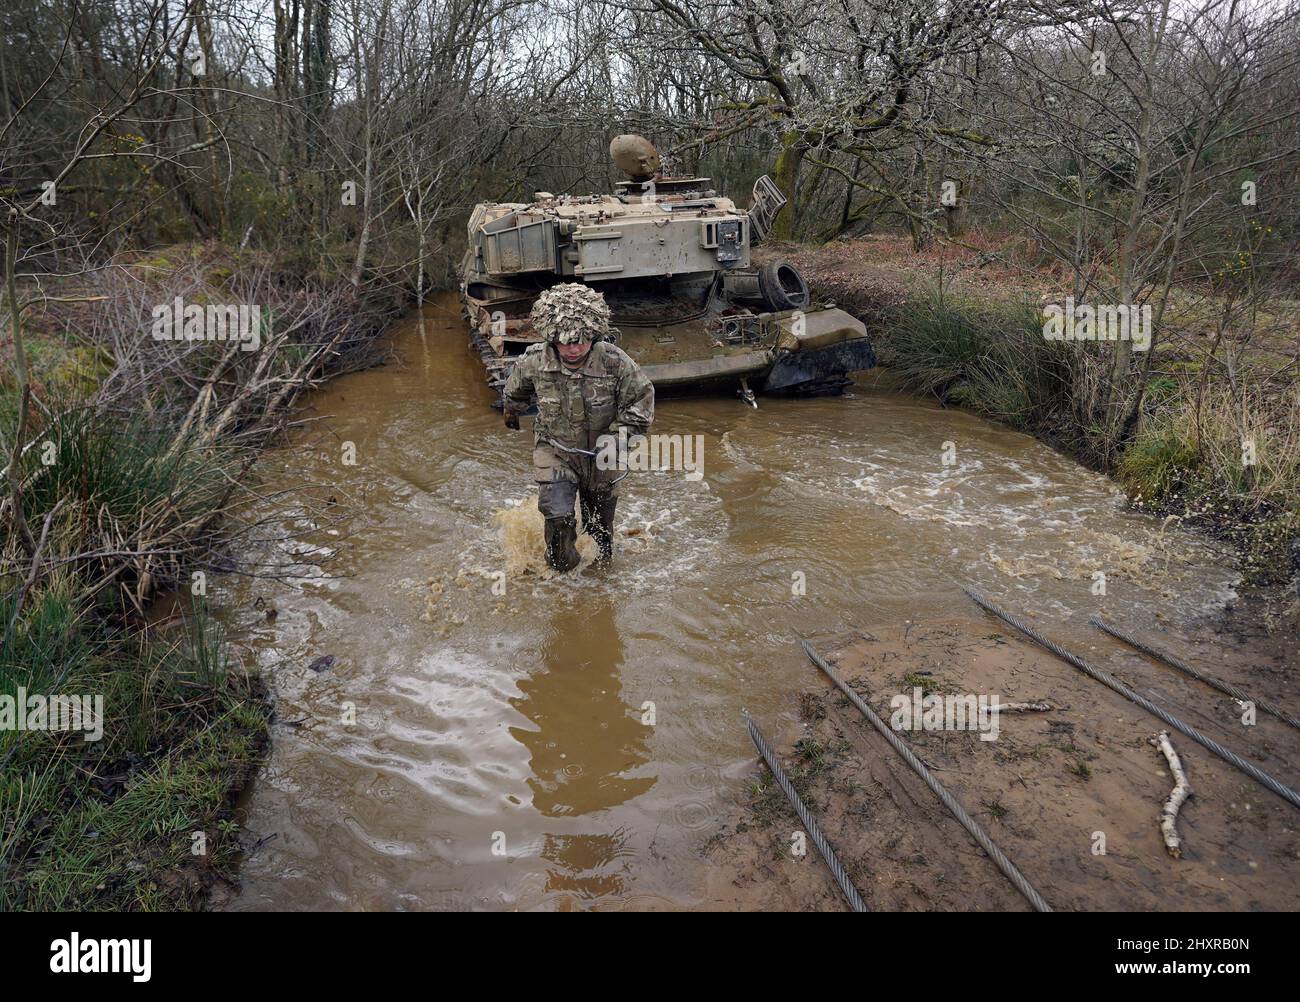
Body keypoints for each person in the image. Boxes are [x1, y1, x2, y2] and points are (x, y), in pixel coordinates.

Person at [502, 283, 654, 572]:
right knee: (557, 520)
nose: (573, 348)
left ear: (593, 335)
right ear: (551, 338)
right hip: (556, 451)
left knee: (599, 532)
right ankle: (562, 578)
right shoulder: (534, 361)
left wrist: (616, 439)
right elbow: (514, 391)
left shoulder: (615, 361)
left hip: (604, 455)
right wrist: (512, 410)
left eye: (580, 341)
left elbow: (642, 403)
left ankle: (599, 583)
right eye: (564, 341)